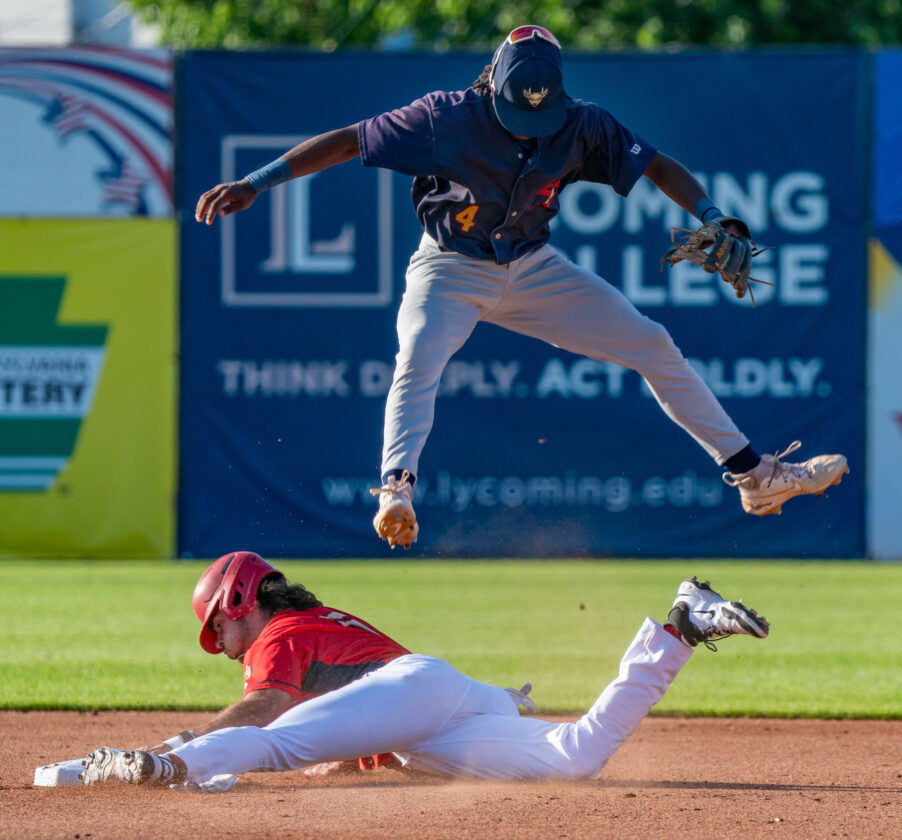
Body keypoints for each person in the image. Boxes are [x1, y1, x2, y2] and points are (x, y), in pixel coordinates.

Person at [194, 25, 848, 550]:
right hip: (449, 267)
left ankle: (755, 477)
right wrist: (256, 181)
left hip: (534, 269)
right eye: (514, 109)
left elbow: (656, 166)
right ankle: (395, 489)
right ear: (492, 83)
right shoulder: (442, 118)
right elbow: (347, 142)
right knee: (418, 357)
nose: (527, 124)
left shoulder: (582, 124)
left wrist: (713, 215)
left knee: (652, 343)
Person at [82, 550, 769, 788]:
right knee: (577, 757)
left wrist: (178, 747)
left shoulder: (280, 631)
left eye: (218, 626)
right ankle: (681, 627)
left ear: (239, 600)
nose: (221, 642)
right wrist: (352, 762)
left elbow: (264, 713)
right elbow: (363, 721)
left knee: (275, 745)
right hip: (435, 706)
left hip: (416, 695)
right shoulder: (316, 623)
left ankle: (161, 769)